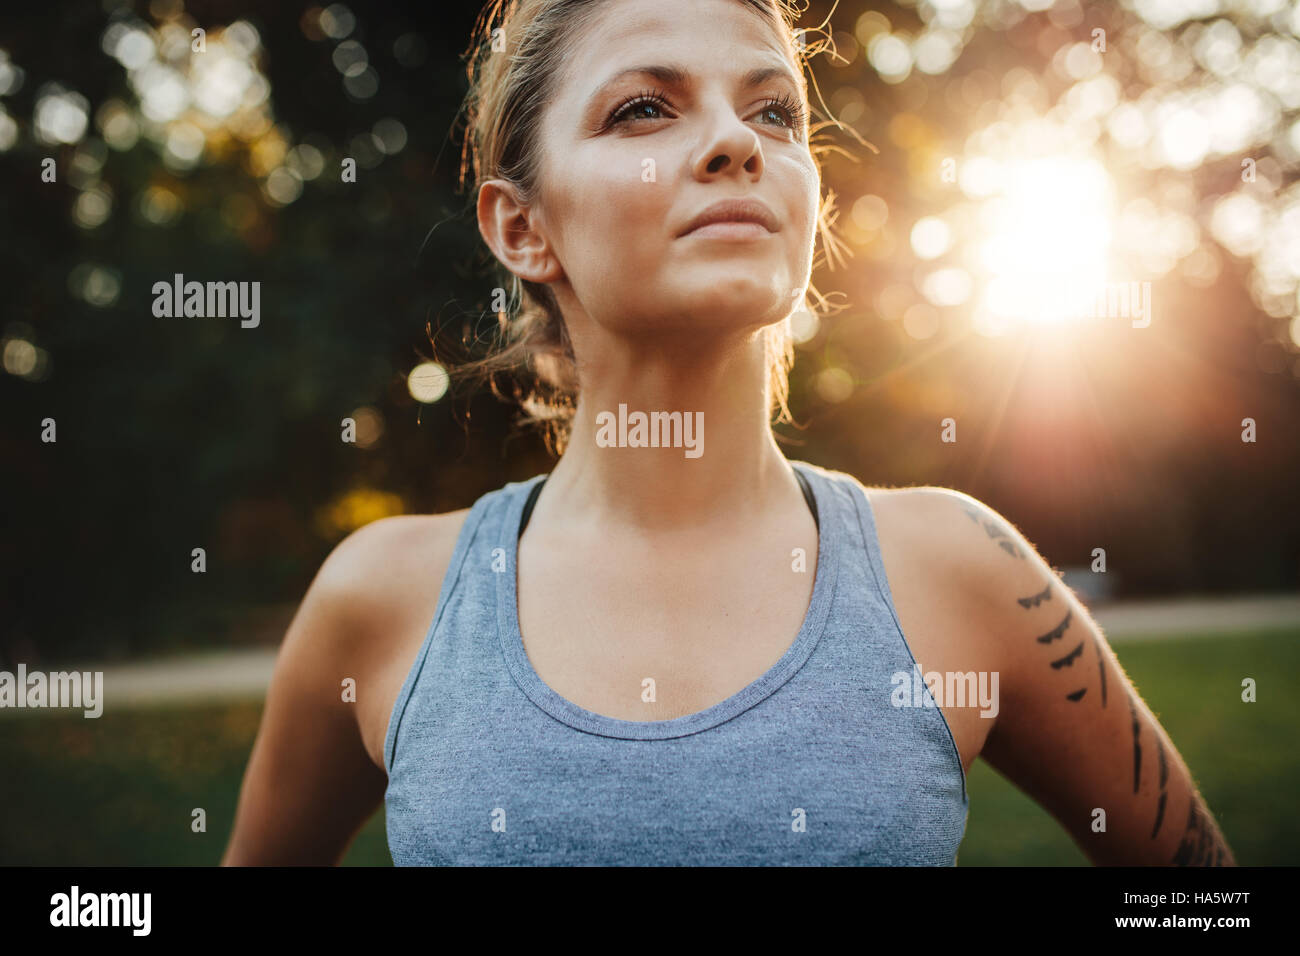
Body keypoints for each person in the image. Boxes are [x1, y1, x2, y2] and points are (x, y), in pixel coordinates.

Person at [221, 0, 1234, 866]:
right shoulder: (382, 599)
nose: (738, 142)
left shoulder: (960, 566)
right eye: (644, 108)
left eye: (772, 110)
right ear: (521, 227)